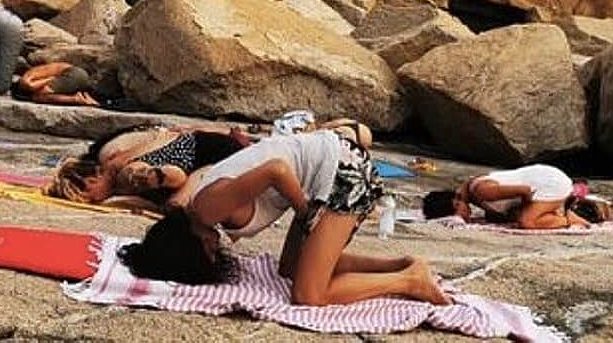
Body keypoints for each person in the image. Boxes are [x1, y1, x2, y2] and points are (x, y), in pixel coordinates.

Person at [118, 128, 451, 306]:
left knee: (309, 295)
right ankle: (402, 264)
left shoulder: (206, 208)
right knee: (290, 268)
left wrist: (306, 212)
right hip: (326, 169)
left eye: (205, 255)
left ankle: (409, 281)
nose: (213, 253)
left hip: (341, 170)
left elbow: (276, 171)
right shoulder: (205, 211)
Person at [44, 123, 252, 204]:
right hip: (206, 149)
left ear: (91, 181)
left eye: (90, 197)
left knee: (176, 207)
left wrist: (119, 201)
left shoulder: (126, 174)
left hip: (212, 153)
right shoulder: (116, 165)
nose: (93, 201)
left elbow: (174, 176)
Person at [421, 164, 608, 229]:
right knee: (515, 217)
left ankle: (571, 219)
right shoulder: (472, 191)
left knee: (528, 222)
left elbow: (525, 191)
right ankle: (574, 207)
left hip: (547, 182)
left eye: (457, 214)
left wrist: (532, 211)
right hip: (542, 180)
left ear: (456, 203)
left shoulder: (481, 191)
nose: (462, 218)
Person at [11, 62, 103, 107]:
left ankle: (76, 99)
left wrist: (51, 79)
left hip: (73, 74)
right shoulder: (31, 74)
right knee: (38, 96)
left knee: (38, 96)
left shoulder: (26, 79)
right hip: (78, 76)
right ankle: (85, 97)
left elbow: (31, 85)